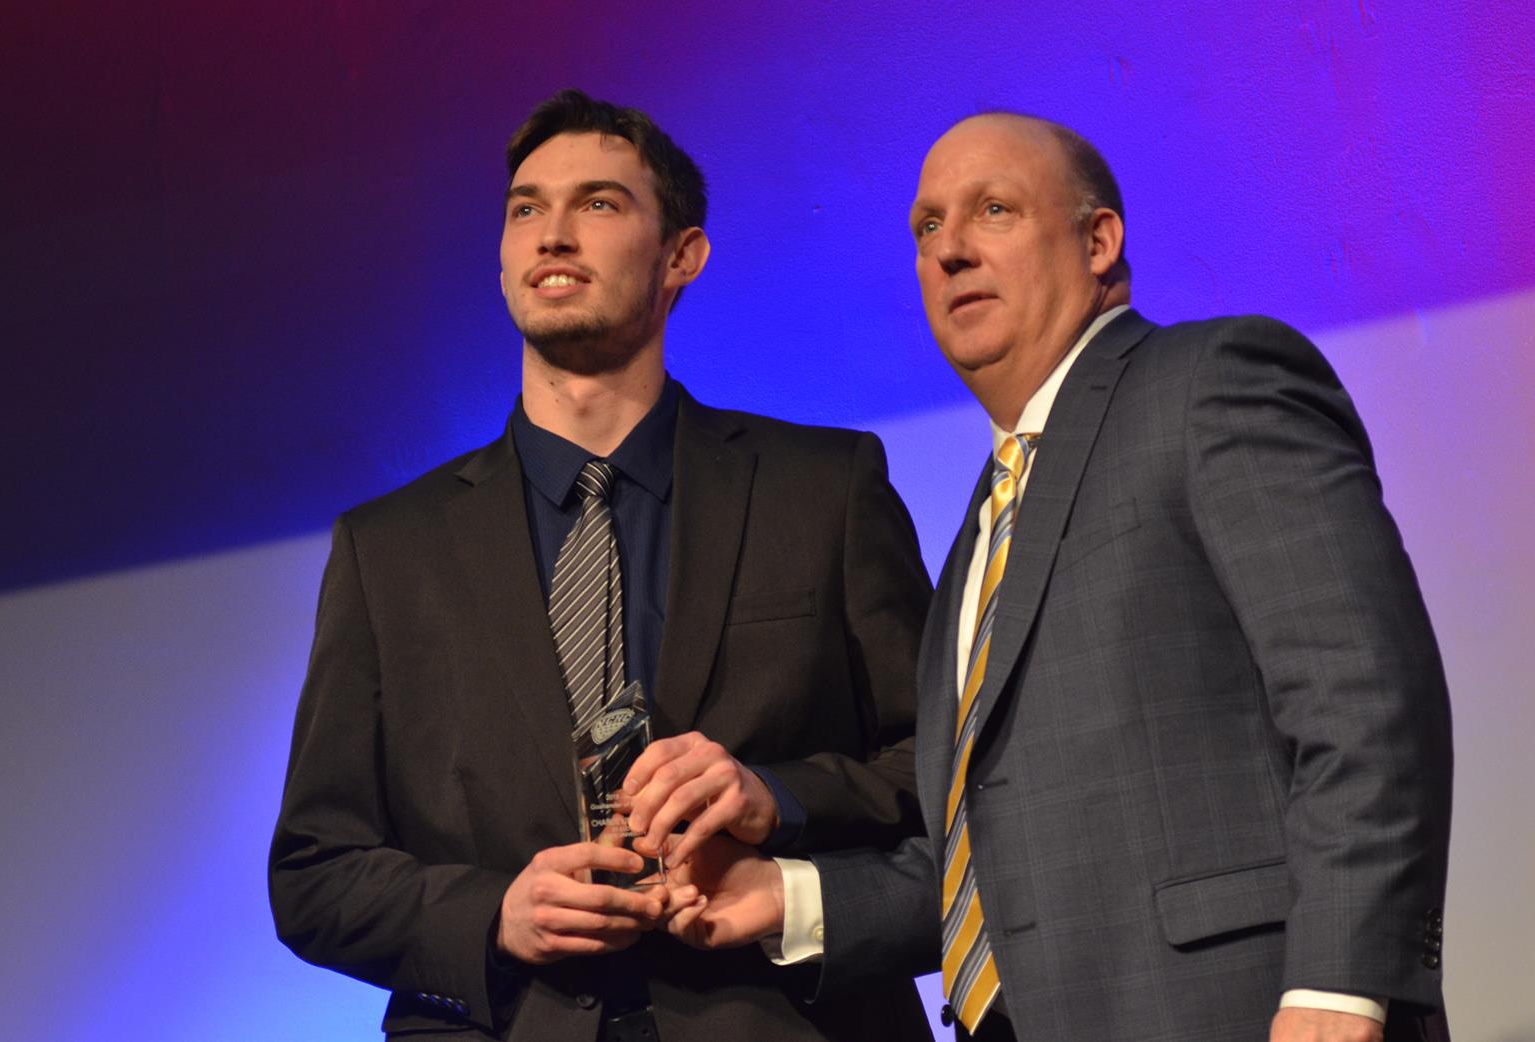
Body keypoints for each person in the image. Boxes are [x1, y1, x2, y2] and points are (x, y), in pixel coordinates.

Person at [665, 113, 1453, 1042]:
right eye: (926, 228)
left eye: (991, 210)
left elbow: (1364, 703)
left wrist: (1337, 985)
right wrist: (787, 898)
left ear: (1098, 240)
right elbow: (997, 862)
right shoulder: (980, 532)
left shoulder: (1210, 382)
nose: (950, 249)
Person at [267, 89, 935, 1041]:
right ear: (501, 260)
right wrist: (494, 916)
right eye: (526, 209)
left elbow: (947, 774)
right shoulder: (388, 549)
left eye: (599, 204)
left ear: (682, 258)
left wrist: (773, 796)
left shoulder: (823, 488)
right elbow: (313, 870)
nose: (553, 234)